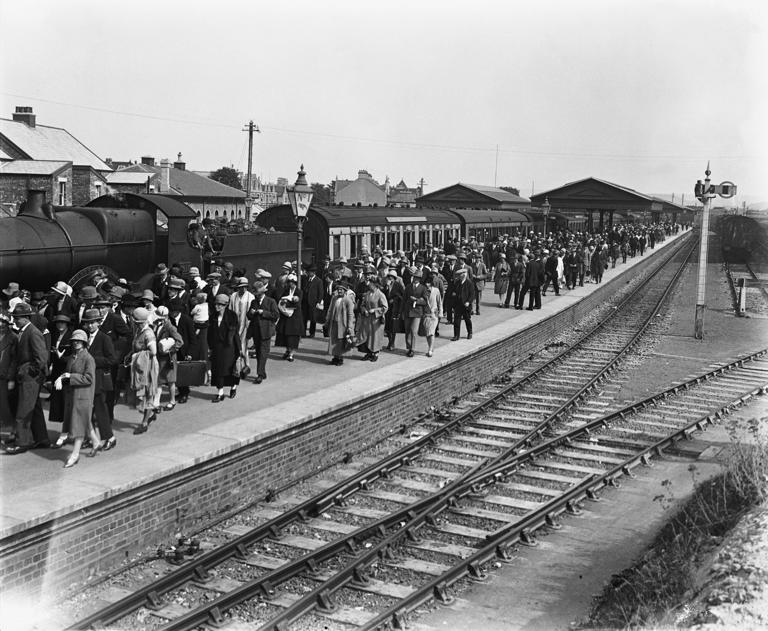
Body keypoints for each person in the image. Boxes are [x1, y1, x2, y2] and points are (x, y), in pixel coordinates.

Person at [3, 303, 50, 453]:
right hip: (28, 376)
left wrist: (30, 371)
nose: (15, 321)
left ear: (25, 318)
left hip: (30, 377)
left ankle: (23, 442)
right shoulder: (25, 331)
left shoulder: (33, 332)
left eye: (17, 318)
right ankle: (42, 439)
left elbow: (42, 358)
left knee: (24, 409)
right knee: (34, 408)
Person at [55, 329, 100, 468]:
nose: (76, 343)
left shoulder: (88, 358)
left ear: (84, 342)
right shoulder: (73, 356)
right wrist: (62, 377)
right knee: (83, 421)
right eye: (74, 341)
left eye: (79, 341)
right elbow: (68, 373)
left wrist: (69, 377)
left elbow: (89, 378)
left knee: (78, 425)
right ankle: (96, 442)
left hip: (84, 396)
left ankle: (75, 454)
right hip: (74, 395)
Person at [82, 308, 118, 451]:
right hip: (86, 380)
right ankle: (92, 437)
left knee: (100, 409)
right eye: (88, 323)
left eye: (93, 323)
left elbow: (112, 359)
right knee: (87, 411)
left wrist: (92, 360)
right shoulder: (84, 338)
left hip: (99, 380)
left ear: (98, 323)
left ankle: (109, 437)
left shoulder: (104, 338)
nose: (90, 326)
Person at [130, 307, 159, 434]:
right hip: (141, 365)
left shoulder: (148, 333)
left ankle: (145, 422)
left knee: (148, 392)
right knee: (144, 392)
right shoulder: (138, 331)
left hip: (148, 366)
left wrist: (136, 356)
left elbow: (153, 351)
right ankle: (150, 414)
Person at [208, 293, 240, 402]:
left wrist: (239, 349)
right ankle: (220, 393)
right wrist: (210, 347)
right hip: (217, 347)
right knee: (218, 370)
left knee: (230, 369)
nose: (217, 306)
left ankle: (234, 386)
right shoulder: (213, 316)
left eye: (220, 305)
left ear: (225, 305)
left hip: (229, 347)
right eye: (216, 304)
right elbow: (210, 333)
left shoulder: (232, 316)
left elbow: (235, 333)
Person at [246, 281, 279, 384]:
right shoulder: (253, 302)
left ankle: (259, 374)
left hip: (266, 331)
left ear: (262, 293)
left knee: (263, 352)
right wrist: (250, 313)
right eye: (256, 293)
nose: (257, 295)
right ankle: (262, 372)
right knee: (259, 352)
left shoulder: (271, 301)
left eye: (258, 293)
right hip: (256, 331)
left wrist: (263, 313)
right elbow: (249, 316)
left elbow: (275, 315)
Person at [152, 306, 183, 411]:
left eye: (162, 316)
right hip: (159, 356)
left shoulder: (170, 327)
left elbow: (180, 341)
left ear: (166, 316)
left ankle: (172, 400)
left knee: (170, 381)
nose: (160, 318)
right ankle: (156, 402)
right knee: (159, 380)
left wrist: (171, 350)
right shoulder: (156, 324)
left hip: (168, 358)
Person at [355, 271, 388, 362]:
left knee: (375, 336)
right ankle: (369, 352)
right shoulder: (367, 294)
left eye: (371, 283)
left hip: (376, 320)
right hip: (367, 318)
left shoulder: (380, 295)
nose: (369, 285)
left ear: (375, 284)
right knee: (367, 336)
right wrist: (364, 310)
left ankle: (375, 353)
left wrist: (375, 310)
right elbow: (362, 304)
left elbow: (385, 307)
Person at [228, 278, 254, 378]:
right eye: (240, 287)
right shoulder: (233, 296)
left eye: (244, 287)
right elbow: (230, 310)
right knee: (236, 347)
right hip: (235, 325)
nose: (242, 289)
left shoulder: (250, 297)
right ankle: (239, 368)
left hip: (246, 325)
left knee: (243, 347)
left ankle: (244, 368)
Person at [402, 269, 429, 357]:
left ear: (420, 279)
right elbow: (404, 300)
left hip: (417, 312)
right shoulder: (408, 287)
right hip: (408, 311)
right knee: (407, 330)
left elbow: (425, 301)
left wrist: (416, 300)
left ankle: (412, 349)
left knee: (413, 331)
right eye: (414, 277)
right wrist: (401, 311)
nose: (415, 279)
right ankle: (409, 347)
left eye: (417, 278)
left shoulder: (423, 288)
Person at [275, 274, 302, 362]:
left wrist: (287, 303)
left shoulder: (299, 292)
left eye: (292, 282)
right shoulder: (286, 291)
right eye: (289, 282)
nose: (290, 284)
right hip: (286, 316)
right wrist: (285, 302)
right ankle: (287, 350)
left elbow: (297, 304)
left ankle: (291, 353)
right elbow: (281, 300)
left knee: (293, 336)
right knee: (285, 335)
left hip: (295, 317)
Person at [327, 282, 356, 366]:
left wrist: (350, 327)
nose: (339, 291)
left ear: (345, 291)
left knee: (341, 341)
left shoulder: (348, 300)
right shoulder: (334, 298)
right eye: (338, 289)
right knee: (334, 340)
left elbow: (350, 314)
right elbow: (330, 310)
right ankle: (335, 357)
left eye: (341, 289)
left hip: (343, 324)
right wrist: (328, 320)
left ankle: (340, 358)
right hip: (334, 323)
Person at [0, 310, 17, 442]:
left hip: (5, 376)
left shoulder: (13, 338)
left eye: (3, 322)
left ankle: (13, 430)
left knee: (7, 405)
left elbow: (14, 360)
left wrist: (11, 378)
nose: (0, 324)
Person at [451, 267, 476, 340]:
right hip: (458, 305)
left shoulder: (469, 283)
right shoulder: (457, 283)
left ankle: (470, 333)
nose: (460, 276)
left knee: (467, 319)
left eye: (461, 275)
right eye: (459, 275)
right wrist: (454, 295)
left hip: (466, 306)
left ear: (464, 275)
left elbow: (472, 294)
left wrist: (468, 301)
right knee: (456, 321)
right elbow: (454, 291)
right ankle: (456, 335)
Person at [382, 270, 403, 351]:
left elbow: (402, 296)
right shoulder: (386, 285)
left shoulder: (398, 285)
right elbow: (383, 295)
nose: (389, 278)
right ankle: (390, 341)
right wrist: (386, 287)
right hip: (387, 308)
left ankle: (392, 343)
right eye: (388, 276)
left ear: (394, 278)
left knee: (393, 327)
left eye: (391, 277)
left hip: (395, 308)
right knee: (387, 327)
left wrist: (394, 300)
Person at [301, 264, 324, 338]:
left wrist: (318, 302)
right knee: (304, 318)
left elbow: (320, 292)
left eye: (310, 272)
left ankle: (312, 333)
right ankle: (303, 332)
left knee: (313, 318)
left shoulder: (318, 281)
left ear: (313, 272)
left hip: (313, 302)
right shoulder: (305, 279)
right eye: (308, 272)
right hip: (305, 302)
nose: (308, 273)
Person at [423, 274, 442, 357]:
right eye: (426, 283)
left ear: (431, 283)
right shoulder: (423, 291)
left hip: (434, 315)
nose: (427, 284)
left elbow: (439, 302)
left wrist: (440, 312)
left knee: (431, 332)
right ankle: (431, 346)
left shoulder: (436, 291)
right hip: (426, 315)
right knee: (427, 333)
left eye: (428, 283)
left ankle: (430, 349)